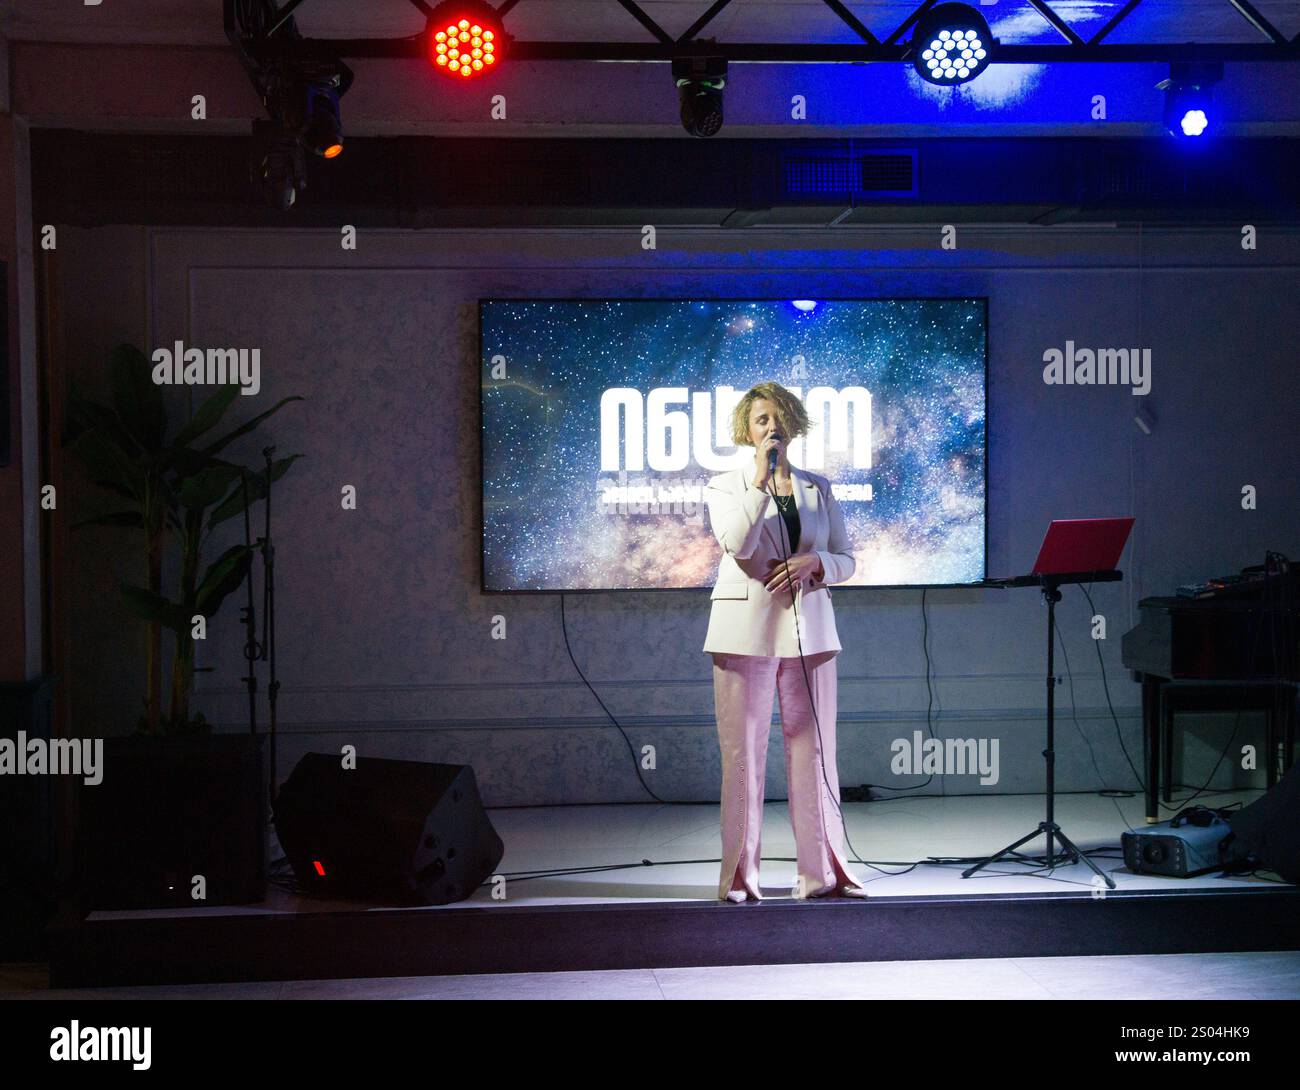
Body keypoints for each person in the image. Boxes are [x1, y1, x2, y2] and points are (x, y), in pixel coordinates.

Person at [702, 381, 868, 903]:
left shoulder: (819, 487)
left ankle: (821, 875)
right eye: (760, 421)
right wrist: (759, 480)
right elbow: (737, 543)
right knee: (743, 756)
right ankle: (739, 878)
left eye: (778, 418)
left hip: (810, 633)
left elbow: (847, 558)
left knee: (814, 752)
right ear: (746, 432)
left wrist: (818, 563)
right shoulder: (725, 486)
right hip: (743, 634)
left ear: (792, 424)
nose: (771, 426)